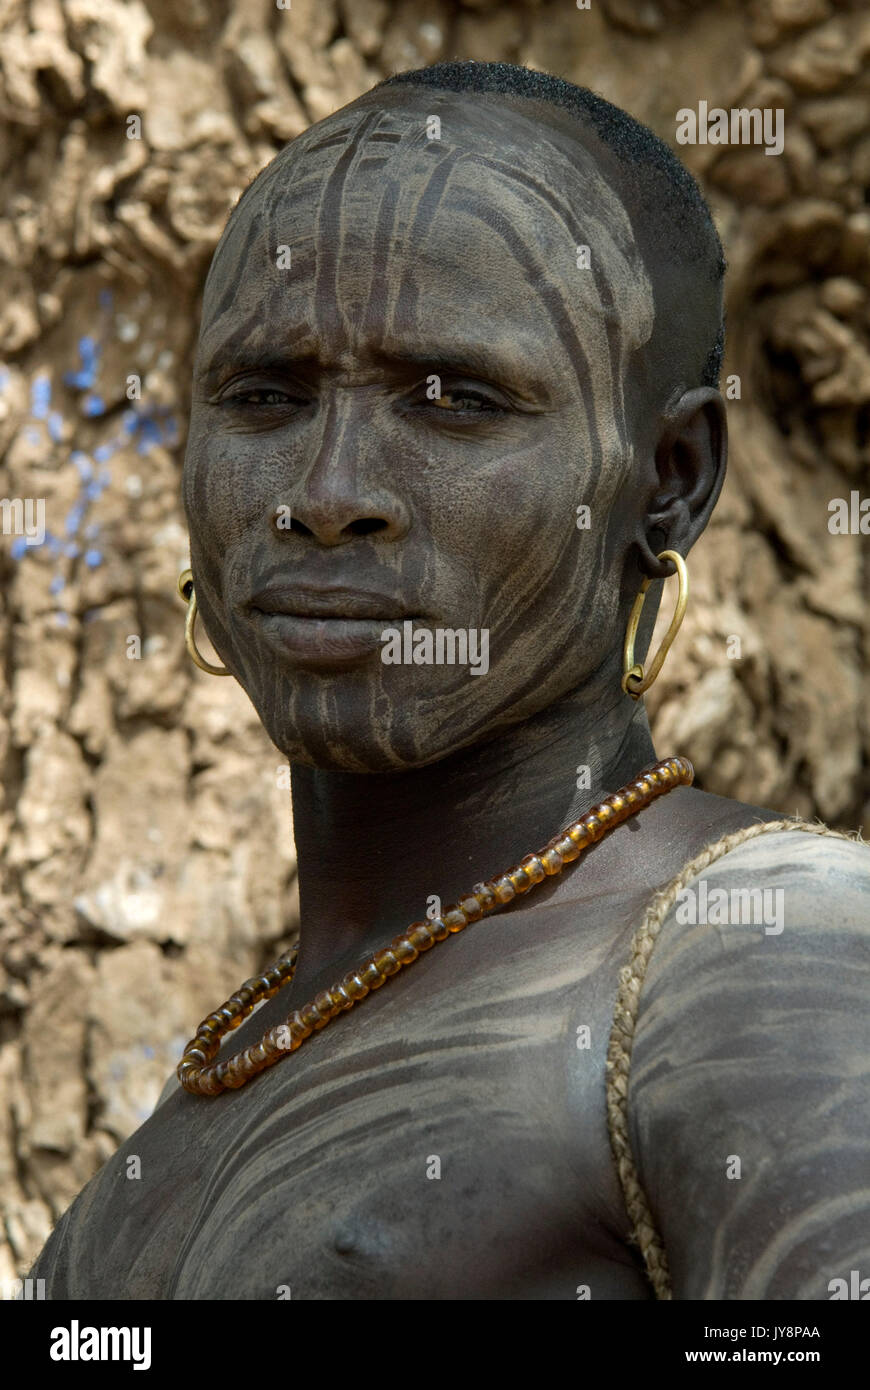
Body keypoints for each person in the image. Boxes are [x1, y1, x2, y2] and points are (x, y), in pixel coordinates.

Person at [30, 61, 869, 1300]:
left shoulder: (769, 960)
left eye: (452, 402)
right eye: (264, 395)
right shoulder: (202, 1098)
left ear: (672, 479)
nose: (325, 497)